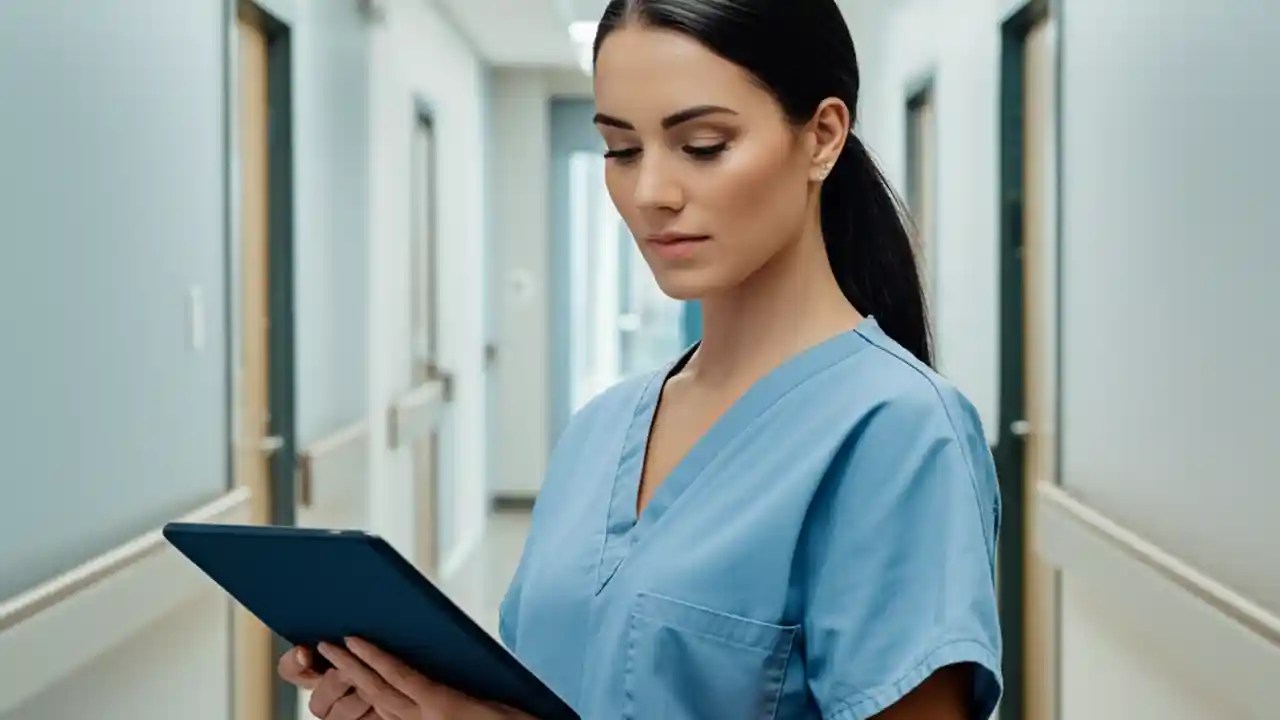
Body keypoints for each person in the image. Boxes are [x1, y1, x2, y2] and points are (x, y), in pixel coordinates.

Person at [279, 0, 1003, 717]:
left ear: (822, 136)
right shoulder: (599, 430)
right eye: (622, 150)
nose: (651, 193)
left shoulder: (899, 433)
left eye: (704, 145)